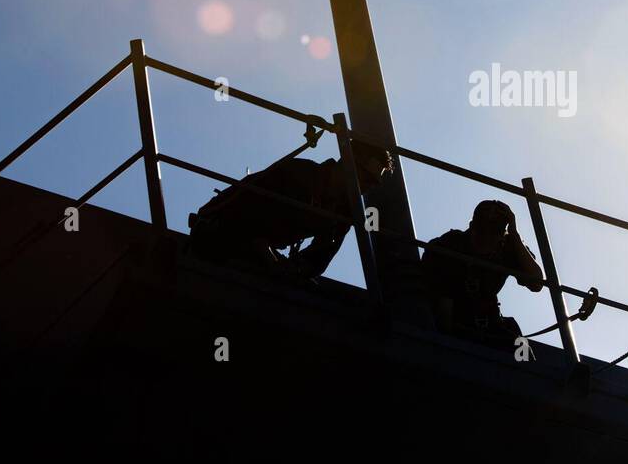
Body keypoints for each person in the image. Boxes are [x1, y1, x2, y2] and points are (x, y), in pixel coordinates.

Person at [187, 142, 392, 281]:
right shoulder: (299, 174)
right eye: (367, 178)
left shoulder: (344, 210)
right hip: (219, 226)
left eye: (373, 184)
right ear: (349, 163)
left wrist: (295, 268)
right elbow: (244, 210)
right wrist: (267, 255)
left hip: (256, 247)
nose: (367, 187)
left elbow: (320, 256)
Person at [419, 200, 545, 346]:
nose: (486, 239)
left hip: (489, 325)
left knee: (522, 350)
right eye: (481, 231)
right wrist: (445, 342)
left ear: (501, 236)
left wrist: (515, 236)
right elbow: (441, 301)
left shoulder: (506, 248)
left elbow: (536, 283)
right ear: (472, 226)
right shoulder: (449, 245)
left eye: (493, 233)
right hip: (453, 324)